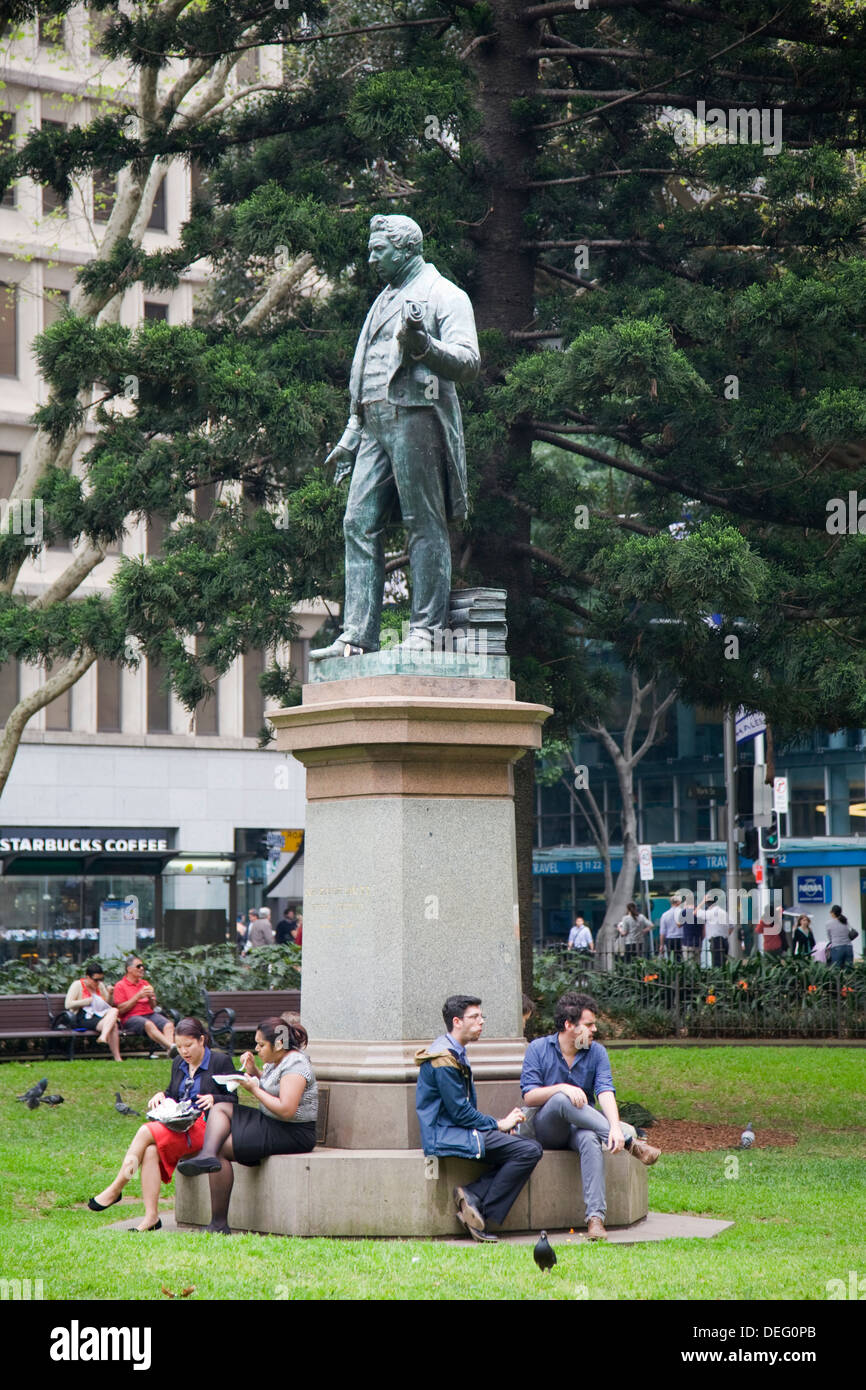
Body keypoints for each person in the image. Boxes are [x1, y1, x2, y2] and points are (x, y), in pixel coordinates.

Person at [311, 215, 480, 660]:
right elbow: (363, 365)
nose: (371, 258)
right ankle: (358, 634)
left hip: (417, 418)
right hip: (374, 425)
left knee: (423, 522)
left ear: (404, 250)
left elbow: (468, 361)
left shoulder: (445, 295)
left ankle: (425, 629)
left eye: (378, 250)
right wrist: (351, 432)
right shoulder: (385, 298)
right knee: (357, 521)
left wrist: (425, 346)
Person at [520, 991, 661, 1241]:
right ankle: (632, 1144)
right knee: (563, 1099)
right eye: (589, 1024)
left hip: (579, 1129)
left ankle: (595, 1219)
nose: (595, 1029)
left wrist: (615, 1127)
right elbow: (529, 1096)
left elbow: (605, 1090)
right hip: (546, 1128)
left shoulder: (596, 1052)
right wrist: (562, 1088)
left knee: (589, 1140)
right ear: (568, 1025)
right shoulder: (538, 1048)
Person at [415, 995, 542, 1243]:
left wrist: (497, 1127)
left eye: (481, 1016)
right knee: (528, 1151)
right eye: (474, 1017)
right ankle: (476, 1204)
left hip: (457, 1130)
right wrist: (498, 1124)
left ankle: (473, 1198)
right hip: (445, 1135)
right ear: (457, 1021)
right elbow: (460, 1112)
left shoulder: (452, 1052)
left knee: (526, 1148)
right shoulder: (444, 1059)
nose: (481, 1022)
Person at [88, 1017, 235, 1231]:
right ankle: (151, 1218)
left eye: (189, 1045)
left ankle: (117, 1186)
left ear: (202, 1040)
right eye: (180, 1046)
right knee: (149, 1151)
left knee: (144, 1131)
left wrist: (215, 1099)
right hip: (179, 1124)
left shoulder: (220, 1062)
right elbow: (172, 1094)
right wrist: (162, 1095)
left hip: (206, 1128)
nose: (184, 1052)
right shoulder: (178, 1063)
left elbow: (234, 1100)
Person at [177, 1016, 318, 1234]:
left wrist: (253, 1089)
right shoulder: (279, 1060)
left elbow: (287, 1110)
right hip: (272, 1121)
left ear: (278, 1044)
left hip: (292, 1132)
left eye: (261, 1044)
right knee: (220, 1107)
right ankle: (207, 1155)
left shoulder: (296, 1065)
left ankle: (219, 1223)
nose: (257, 1048)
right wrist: (254, 1073)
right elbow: (274, 1088)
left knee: (222, 1149)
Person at [112, 956, 176, 1054]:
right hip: (131, 1017)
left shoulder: (145, 983)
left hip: (149, 1014)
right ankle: (171, 1046)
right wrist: (138, 996)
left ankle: (170, 1051)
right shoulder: (120, 986)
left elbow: (153, 1007)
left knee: (169, 1025)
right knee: (148, 1024)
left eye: (142, 966)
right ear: (129, 969)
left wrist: (150, 997)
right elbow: (120, 1010)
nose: (142, 968)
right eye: (138, 966)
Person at [63, 961, 122, 1061]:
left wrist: (110, 994)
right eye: (96, 980)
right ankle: (117, 1057)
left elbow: (108, 1004)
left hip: (99, 1014)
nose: (98, 982)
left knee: (114, 1011)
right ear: (88, 977)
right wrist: (88, 1001)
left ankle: (104, 1037)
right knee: (113, 1025)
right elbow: (68, 1004)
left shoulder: (100, 986)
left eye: (101, 979)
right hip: (83, 1016)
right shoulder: (78, 985)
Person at [697, 894, 734, 968]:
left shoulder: (709, 913)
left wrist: (702, 901)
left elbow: (696, 912)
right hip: (724, 940)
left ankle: (718, 978)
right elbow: (732, 926)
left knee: (716, 964)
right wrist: (726, 934)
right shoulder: (723, 912)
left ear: (707, 904)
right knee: (723, 963)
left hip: (715, 941)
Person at [658, 895, 686, 960]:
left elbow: (662, 932)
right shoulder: (683, 913)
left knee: (672, 959)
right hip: (682, 939)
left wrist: (661, 945)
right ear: (677, 903)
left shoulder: (665, 915)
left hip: (670, 940)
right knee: (682, 960)